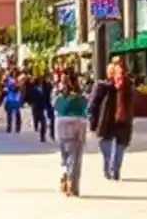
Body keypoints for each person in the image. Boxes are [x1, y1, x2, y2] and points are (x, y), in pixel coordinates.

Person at [89, 61, 135, 181]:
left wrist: (93, 124)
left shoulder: (103, 87)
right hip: (124, 120)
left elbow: (93, 106)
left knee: (105, 144)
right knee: (120, 145)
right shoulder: (128, 85)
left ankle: (109, 167)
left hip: (108, 120)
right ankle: (115, 170)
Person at [55, 69, 88, 197]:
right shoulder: (80, 98)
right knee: (75, 159)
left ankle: (65, 176)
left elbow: (55, 108)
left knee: (65, 156)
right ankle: (72, 185)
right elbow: (86, 110)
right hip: (76, 128)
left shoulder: (59, 98)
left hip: (61, 128)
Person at [28, 73, 55, 142]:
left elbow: (50, 95)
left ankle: (52, 134)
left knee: (52, 120)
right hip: (40, 108)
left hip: (48, 106)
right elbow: (32, 98)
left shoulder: (48, 86)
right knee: (43, 122)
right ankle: (42, 136)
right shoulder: (34, 89)